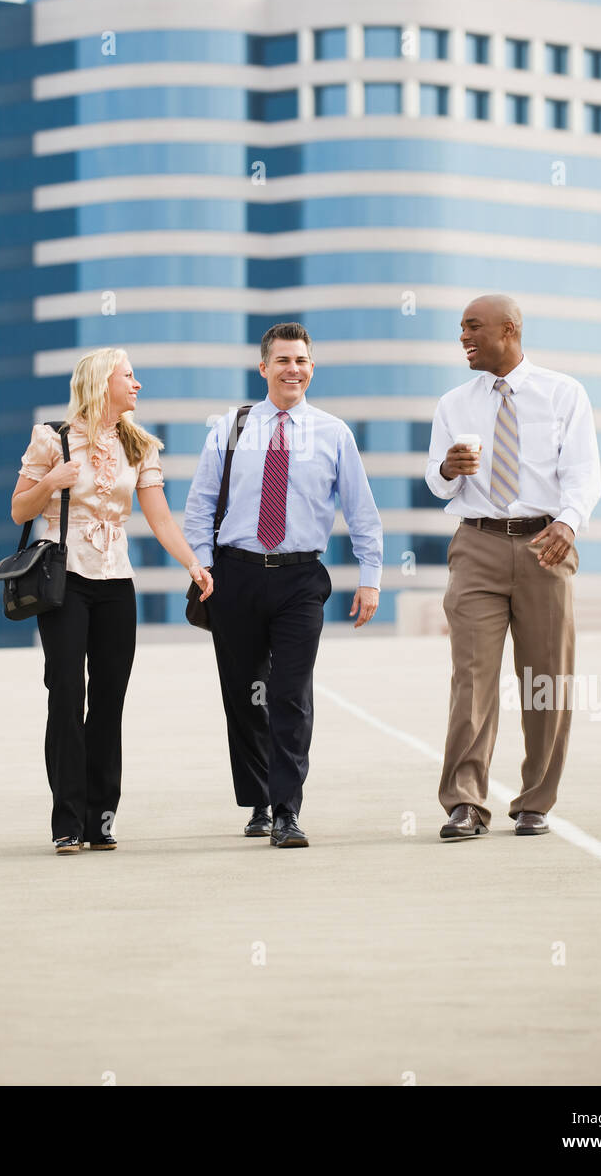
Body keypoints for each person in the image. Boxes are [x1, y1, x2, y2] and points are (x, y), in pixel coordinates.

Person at [184, 322, 383, 848]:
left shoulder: (334, 432)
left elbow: (362, 511)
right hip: (235, 575)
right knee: (245, 694)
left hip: (300, 578)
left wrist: (370, 578)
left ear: (311, 369)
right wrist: (203, 569)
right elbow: (201, 504)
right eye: (283, 361)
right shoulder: (229, 428)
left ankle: (287, 810)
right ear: (264, 368)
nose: (293, 369)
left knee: (290, 694)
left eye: (302, 361)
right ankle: (257, 802)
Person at [11, 347, 212, 854]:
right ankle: (67, 820)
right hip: (65, 579)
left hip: (116, 582)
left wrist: (193, 563)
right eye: (130, 376)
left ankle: (102, 817)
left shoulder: (139, 445)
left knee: (108, 701)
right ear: (104, 383)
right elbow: (19, 510)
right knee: (65, 694)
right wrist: (53, 482)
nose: (137, 385)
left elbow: (161, 518)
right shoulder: (51, 438)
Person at [425, 295, 601, 840]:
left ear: (510, 330)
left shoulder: (564, 393)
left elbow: (583, 475)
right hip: (476, 544)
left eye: (473, 327)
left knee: (544, 679)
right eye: (460, 329)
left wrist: (568, 524)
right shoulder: (454, 402)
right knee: (471, 679)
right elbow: (436, 481)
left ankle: (535, 801)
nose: (463, 338)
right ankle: (465, 803)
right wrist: (448, 470)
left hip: (544, 544)